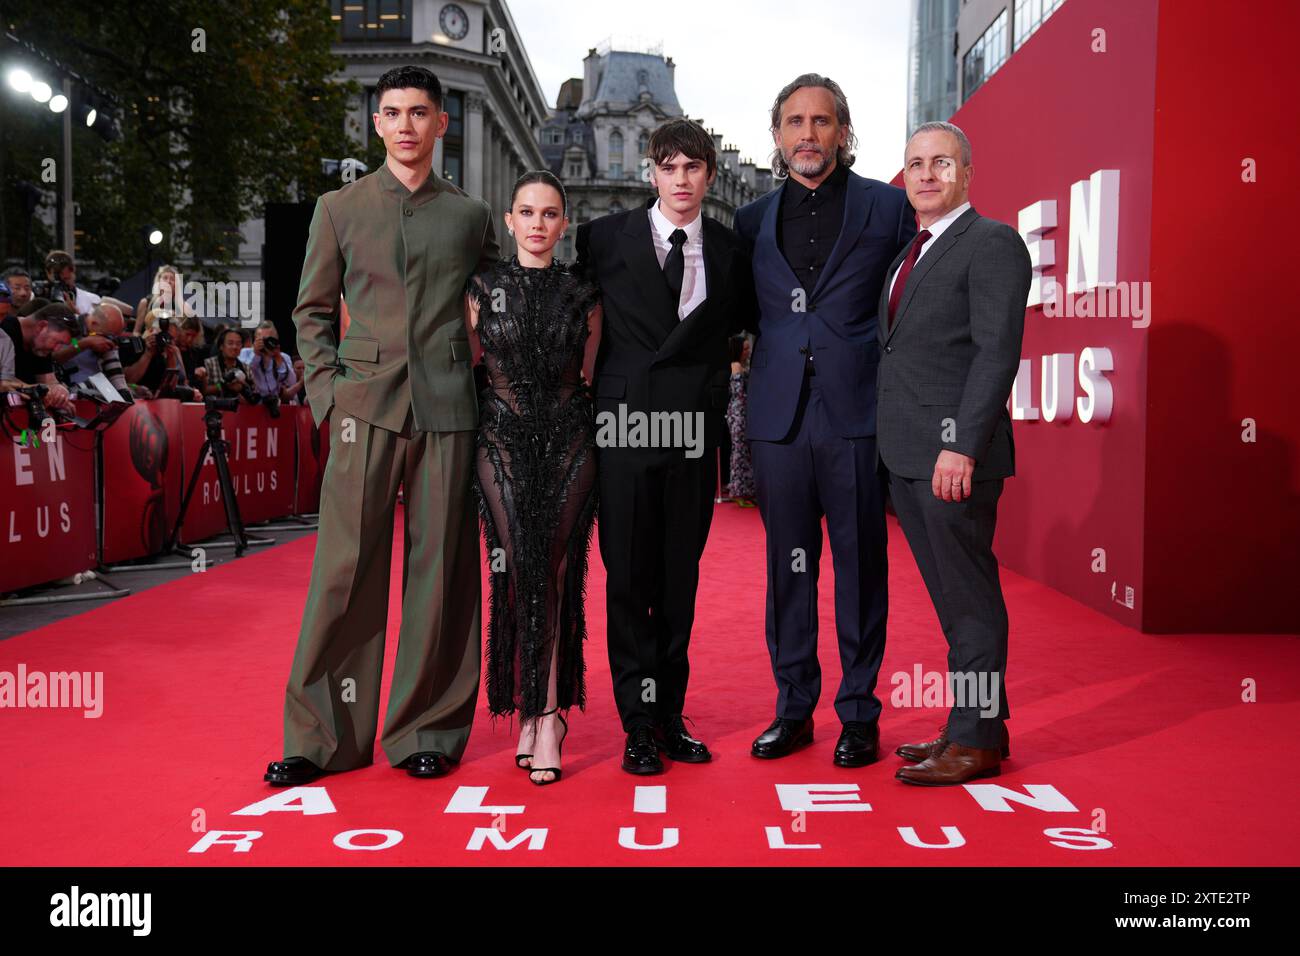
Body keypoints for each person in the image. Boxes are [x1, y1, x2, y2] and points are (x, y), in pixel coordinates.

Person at [264, 64, 499, 787]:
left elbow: (491, 307)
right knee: (343, 571)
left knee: (441, 575)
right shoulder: (338, 208)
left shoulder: (469, 216)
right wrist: (329, 398)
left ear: (440, 123)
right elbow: (308, 314)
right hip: (360, 411)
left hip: (449, 411)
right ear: (376, 124)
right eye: (392, 112)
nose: (405, 124)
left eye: (419, 112)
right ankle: (320, 736)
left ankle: (427, 727)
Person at [735, 74, 917, 767]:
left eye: (821, 121)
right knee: (789, 569)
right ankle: (793, 709)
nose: (807, 135)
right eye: (794, 122)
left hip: (857, 414)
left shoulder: (889, 207)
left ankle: (860, 714)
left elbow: (911, 301)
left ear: (842, 130)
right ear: (777, 135)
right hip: (780, 417)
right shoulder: (750, 221)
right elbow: (749, 316)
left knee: (861, 568)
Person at [576, 118, 757, 775]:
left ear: (709, 174)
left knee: (678, 582)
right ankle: (637, 724)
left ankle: (670, 716)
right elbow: (567, 319)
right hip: (623, 431)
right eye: (669, 167)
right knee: (628, 580)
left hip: (689, 436)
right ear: (651, 173)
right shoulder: (600, 239)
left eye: (693, 168)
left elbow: (745, 334)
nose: (681, 180)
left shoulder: (735, 254)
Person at [878, 122, 1029, 786]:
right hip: (907, 456)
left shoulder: (991, 243)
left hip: (951, 457)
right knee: (951, 601)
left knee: (970, 601)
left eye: (941, 162)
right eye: (915, 163)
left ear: (967, 173)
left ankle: (976, 741)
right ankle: (971, 726)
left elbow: (997, 354)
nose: (927, 173)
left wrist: (961, 446)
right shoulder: (910, 251)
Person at [465, 170, 602, 785]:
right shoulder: (481, 286)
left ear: (563, 224)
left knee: (556, 566)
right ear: (510, 219)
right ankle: (528, 703)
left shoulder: (583, 290)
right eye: (527, 212)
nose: (539, 224)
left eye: (551, 214)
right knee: (519, 566)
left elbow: (596, 374)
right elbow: (464, 369)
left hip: (572, 439)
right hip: (500, 441)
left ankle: (546, 715)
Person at [0, 301, 77, 411]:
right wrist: (38, 390)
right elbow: (4, 381)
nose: (56, 349)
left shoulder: (39, 345)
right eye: (57, 342)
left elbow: (49, 381)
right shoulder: (4, 330)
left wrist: (59, 391)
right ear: (42, 326)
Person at [726, 333, 756, 505]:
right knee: (739, 452)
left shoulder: (742, 366)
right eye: (745, 348)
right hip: (738, 412)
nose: (748, 351)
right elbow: (737, 392)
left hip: (744, 411)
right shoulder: (736, 366)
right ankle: (738, 490)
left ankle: (745, 490)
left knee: (744, 451)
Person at [201, 327, 258, 402]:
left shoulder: (246, 368)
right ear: (221, 346)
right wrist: (223, 386)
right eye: (230, 343)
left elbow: (254, 392)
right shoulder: (209, 364)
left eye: (238, 344)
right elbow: (204, 390)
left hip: (240, 411)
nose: (235, 347)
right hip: (215, 410)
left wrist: (243, 387)